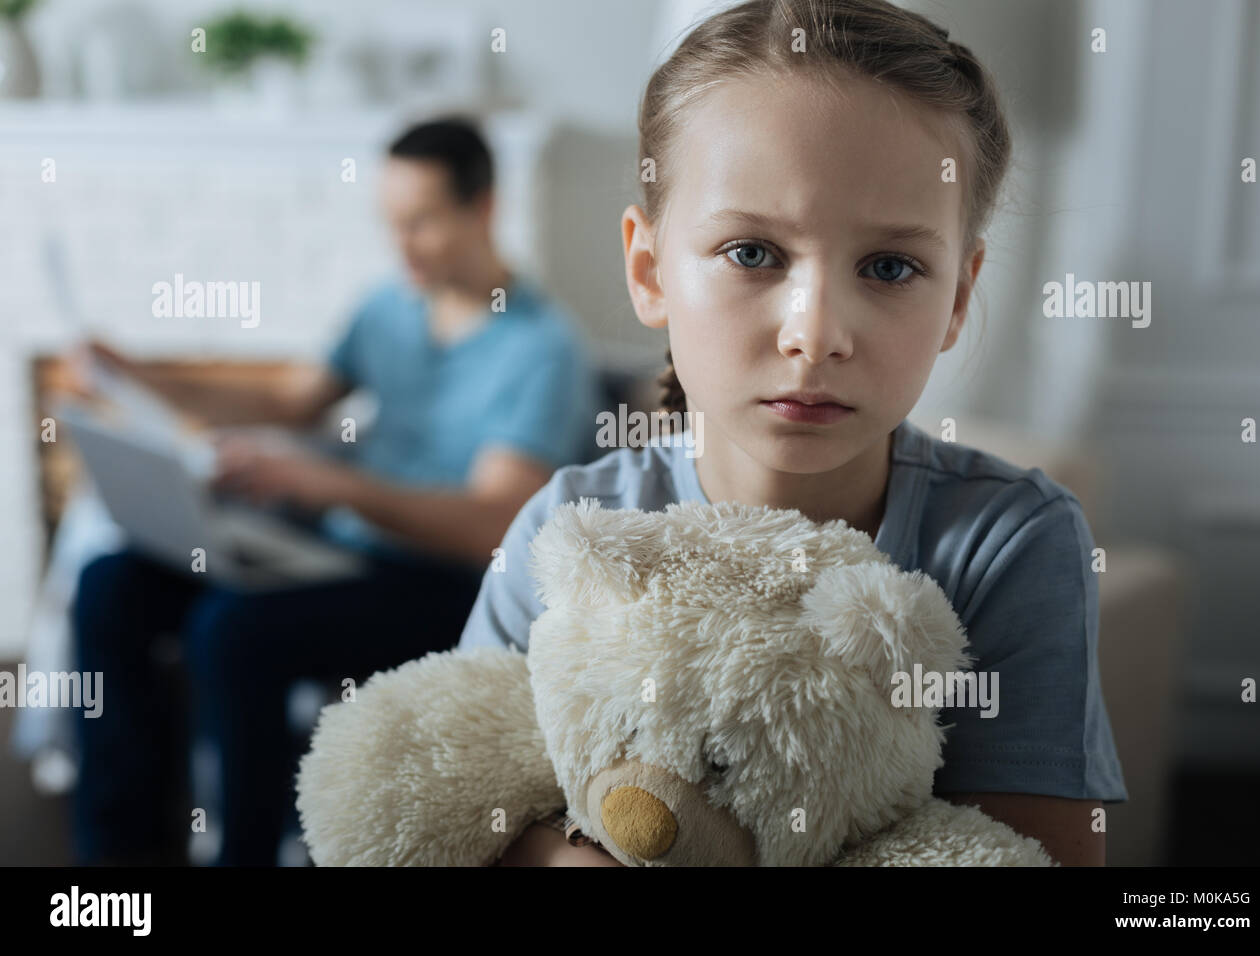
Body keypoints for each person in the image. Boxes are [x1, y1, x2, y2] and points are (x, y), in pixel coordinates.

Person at [471, 0, 1126, 867]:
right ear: (649, 270)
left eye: (890, 267)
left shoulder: (1009, 545)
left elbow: (1036, 857)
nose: (815, 334)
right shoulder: (567, 534)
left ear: (958, 300)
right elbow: (459, 800)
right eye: (752, 253)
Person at [68, 116, 603, 866]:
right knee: (110, 583)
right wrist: (138, 375)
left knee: (231, 631)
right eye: (392, 224)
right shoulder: (391, 306)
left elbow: (489, 526)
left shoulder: (542, 348)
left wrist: (332, 486)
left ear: (483, 208)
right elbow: (292, 403)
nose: (402, 246)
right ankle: (114, 864)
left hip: (441, 582)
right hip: (337, 554)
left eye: (420, 222)